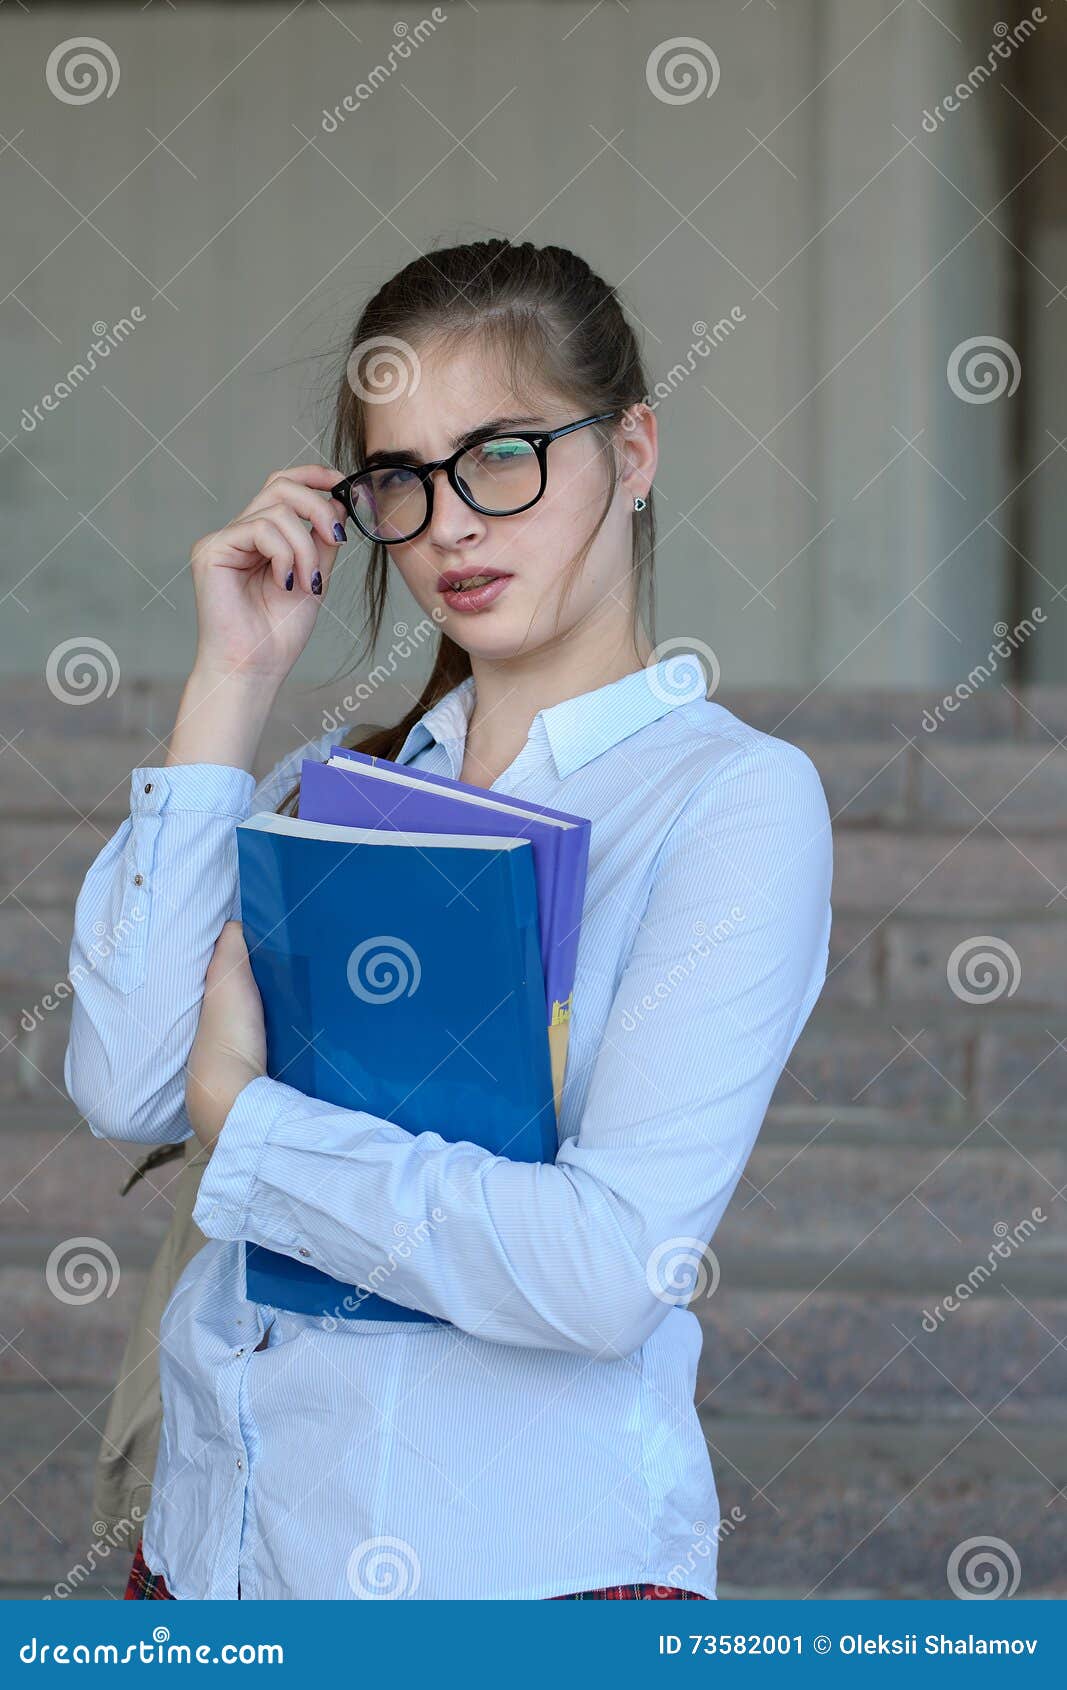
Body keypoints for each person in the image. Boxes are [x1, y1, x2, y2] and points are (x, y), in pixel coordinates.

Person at [65, 237, 833, 1601]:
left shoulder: (730, 803)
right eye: (405, 479)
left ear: (635, 449)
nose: (453, 525)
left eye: (502, 455)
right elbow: (125, 1083)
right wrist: (231, 684)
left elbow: (610, 1267)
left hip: (508, 1587)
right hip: (212, 1560)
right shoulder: (337, 791)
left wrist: (254, 1127)